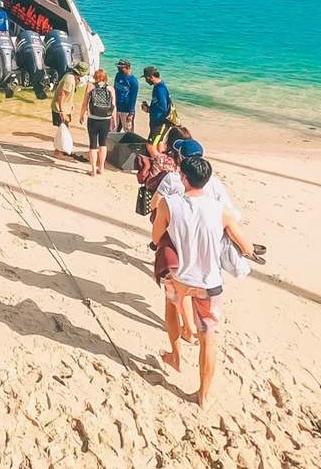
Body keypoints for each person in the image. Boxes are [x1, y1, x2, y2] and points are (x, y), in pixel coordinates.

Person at [151, 155, 254, 407]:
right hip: (209, 283)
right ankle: (203, 396)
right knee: (208, 336)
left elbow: (156, 239)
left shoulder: (168, 204)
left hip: (178, 278)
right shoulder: (221, 211)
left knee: (172, 311)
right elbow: (248, 247)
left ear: (183, 178)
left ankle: (175, 356)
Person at [77, 68, 116, 176]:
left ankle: (93, 170)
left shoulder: (90, 86)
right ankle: (102, 168)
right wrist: (114, 120)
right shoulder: (111, 89)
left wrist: (81, 115)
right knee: (103, 144)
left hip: (93, 119)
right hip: (106, 119)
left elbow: (85, 103)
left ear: (95, 77)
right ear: (105, 77)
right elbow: (114, 105)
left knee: (93, 144)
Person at [51, 62, 88, 157]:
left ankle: (60, 150)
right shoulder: (70, 79)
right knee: (63, 129)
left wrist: (71, 104)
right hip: (62, 109)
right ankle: (57, 152)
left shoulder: (71, 77)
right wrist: (61, 110)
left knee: (64, 129)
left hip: (65, 107)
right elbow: (61, 95)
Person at [140, 66, 173, 150]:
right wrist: (149, 109)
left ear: (151, 77)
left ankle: (159, 161)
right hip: (157, 122)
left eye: (146, 79)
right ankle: (160, 160)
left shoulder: (160, 89)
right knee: (159, 142)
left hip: (160, 123)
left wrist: (149, 110)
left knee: (150, 146)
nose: (146, 81)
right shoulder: (157, 86)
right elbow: (158, 105)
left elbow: (163, 108)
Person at [113, 59, 139, 133]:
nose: (119, 69)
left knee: (128, 131)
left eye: (121, 68)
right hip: (117, 108)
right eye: (118, 67)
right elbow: (114, 90)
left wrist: (131, 113)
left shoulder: (133, 81)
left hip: (126, 110)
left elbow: (133, 98)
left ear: (128, 67)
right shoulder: (118, 75)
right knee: (114, 128)